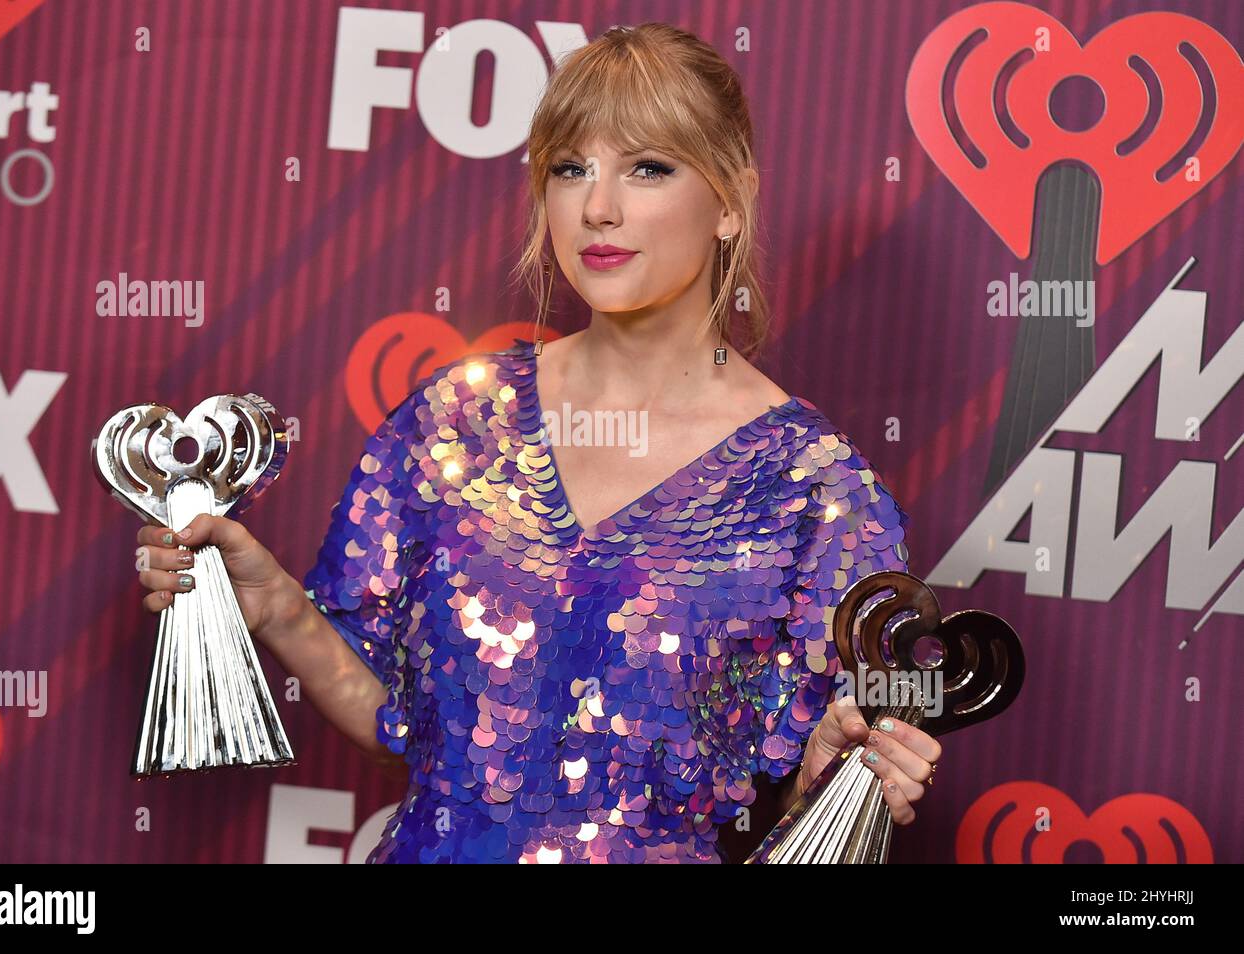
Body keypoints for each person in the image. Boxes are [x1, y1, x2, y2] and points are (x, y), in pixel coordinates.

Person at [133, 22, 940, 863]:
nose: (598, 206)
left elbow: (809, 806)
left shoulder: (817, 493)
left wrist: (837, 780)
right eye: (570, 168)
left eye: (648, 168)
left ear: (732, 200)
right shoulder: (457, 420)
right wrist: (273, 606)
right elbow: (402, 731)